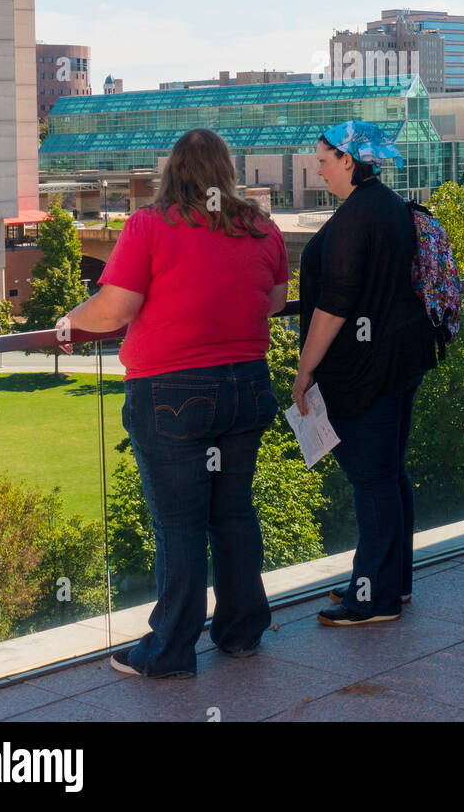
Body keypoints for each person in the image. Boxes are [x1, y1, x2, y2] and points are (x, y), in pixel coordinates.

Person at [58, 128, 288, 677]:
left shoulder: (150, 226)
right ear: (226, 172)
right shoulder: (261, 227)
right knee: (233, 513)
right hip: (247, 385)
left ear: (172, 171)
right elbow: (275, 302)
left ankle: (170, 651)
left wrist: (68, 322)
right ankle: (241, 633)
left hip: (173, 392)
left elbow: (114, 310)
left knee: (180, 525)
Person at [292, 120, 437, 626]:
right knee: (390, 474)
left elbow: (334, 304)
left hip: (367, 368)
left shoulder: (357, 216)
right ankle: (388, 583)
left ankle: (372, 598)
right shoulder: (390, 205)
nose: (318, 166)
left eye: (325, 158)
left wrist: (304, 370)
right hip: (401, 357)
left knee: (372, 480)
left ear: (349, 161)